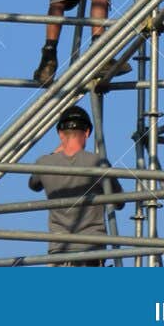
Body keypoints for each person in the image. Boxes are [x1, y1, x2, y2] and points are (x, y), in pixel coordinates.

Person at [29, 105, 124, 266]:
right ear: (87, 133)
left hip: (59, 249)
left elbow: (34, 184)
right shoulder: (97, 162)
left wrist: (55, 154)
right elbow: (120, 202)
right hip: (92, 247)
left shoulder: (44, 163)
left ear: (60, 134)